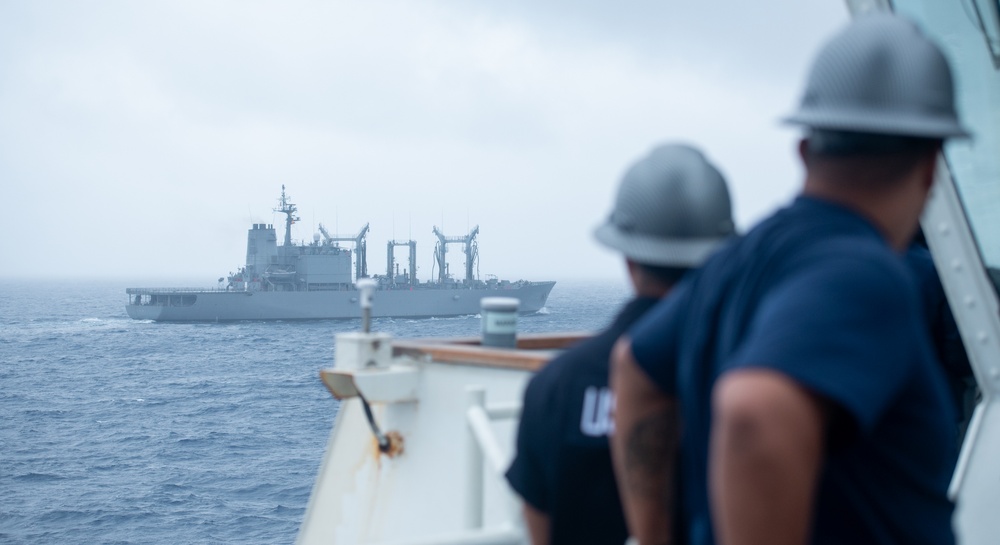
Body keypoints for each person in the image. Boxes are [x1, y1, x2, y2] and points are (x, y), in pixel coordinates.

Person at [610, 14, 969, 545]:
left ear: (805, 149)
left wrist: (654, 535)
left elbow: (634, 367)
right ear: (931, 167)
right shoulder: (867, 274)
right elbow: (755, 408)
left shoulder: (738, 260)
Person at [505, 144, 736, 545]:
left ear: (627, 258)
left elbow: (540, 525)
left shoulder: (554, 387)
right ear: (721, 255)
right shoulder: (748, 373)